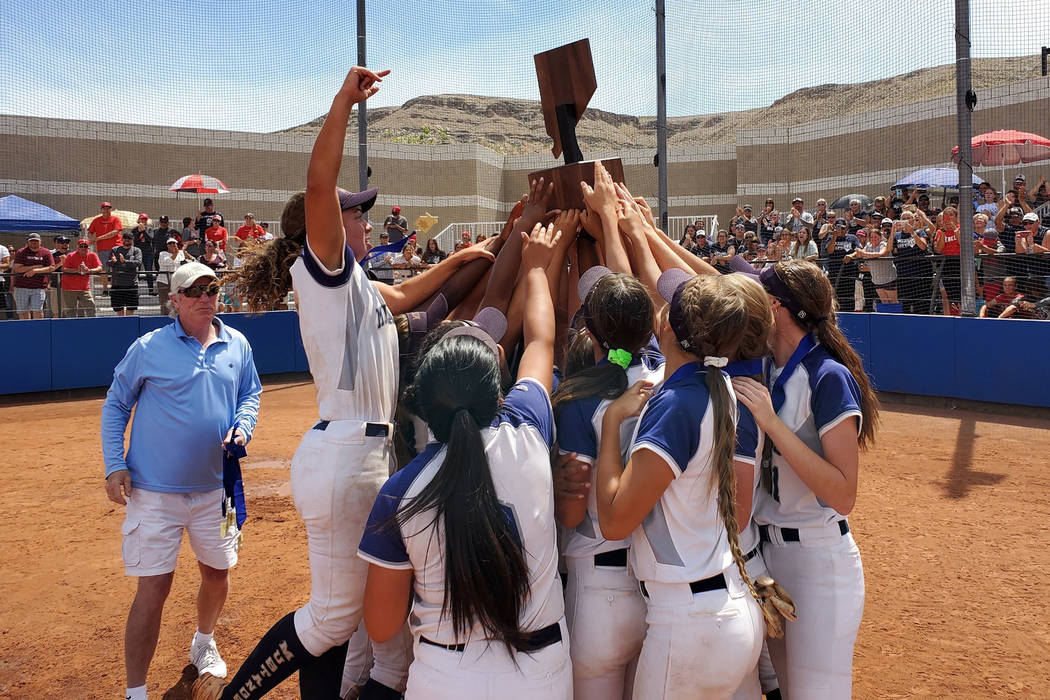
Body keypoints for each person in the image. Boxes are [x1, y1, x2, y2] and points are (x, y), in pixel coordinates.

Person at [195, 65, 495, 700]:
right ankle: (236, 695)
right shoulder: (323, 269)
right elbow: (318, 182)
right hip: (346, 453)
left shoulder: (359, 284)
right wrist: (342, 103)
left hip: (365, 452)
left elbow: (410, 292)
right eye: (355, 214)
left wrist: (472, 253)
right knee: (333, 617)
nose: (364, 221)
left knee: (356, 617)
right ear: (326, 227)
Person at [358, 221, 570, 700]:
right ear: (498, 383)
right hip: (542, 671)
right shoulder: (528, 433)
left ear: (423, 402)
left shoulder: (400, 491)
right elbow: (539, 342)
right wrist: (537, 268)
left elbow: (380, 623)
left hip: (446, 676)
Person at [593, 272, 767, 698]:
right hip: (725, 609)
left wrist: (613, 421)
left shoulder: (676, 405)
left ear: (668, 325)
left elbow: (615, 522)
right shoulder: (718, 383)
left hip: (690, 625)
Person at [102, 261, 262, 700]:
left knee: (217, 572)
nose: (206, 297)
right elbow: (116, 404)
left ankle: (203, 642)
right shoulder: (148, 347)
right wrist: (115, 464)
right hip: (154, 494)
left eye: (212, 289)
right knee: (153, 589)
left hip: (216, 489)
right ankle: (137, 692)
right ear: (174, 299)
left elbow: (251, 392)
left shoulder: (237, 344)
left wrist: (243, 425)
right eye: (195, 291)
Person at [732, 259, 880, 699]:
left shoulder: (827, 375)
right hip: (768, 557)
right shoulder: (770, 367)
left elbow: (842, 492)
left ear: (775, 306)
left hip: (819, 561)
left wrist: (773, 425)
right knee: (785, 690)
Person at [552, 269, 664, 700]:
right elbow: (630, 354)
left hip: (599, 591)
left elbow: (572, 512)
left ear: (589, 330)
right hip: (655, 587)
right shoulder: (666, 376)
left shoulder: (580, 396)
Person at [893, 212, 931, 314]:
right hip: (904, 276)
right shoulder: (896, 236)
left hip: (920, 276)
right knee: (905, 305)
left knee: (921, 307)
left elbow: (923, 246)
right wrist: (893, 230)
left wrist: (912, 233)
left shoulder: (920, 232)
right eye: (903, 218)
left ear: (913, 220)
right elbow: (893, 250)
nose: (906, 220)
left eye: (908, 218)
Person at [11, 232, 56, 319]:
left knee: (38, 311)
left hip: (38, 287)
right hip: (21, 287)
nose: (34, 242)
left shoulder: (46, 252)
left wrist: (36, 271)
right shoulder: (21, 252)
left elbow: (52, 267)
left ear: (40, 242)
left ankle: (39, 330)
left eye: (36, 241)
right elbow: (17, 269)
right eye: (31, 241)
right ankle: (25, 330)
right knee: (23, 312)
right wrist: (35, 266)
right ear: (28, 242)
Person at [60, 238, 102, 317]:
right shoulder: (70, 255)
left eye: (85, 246)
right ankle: (71, 327)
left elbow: (99, 267)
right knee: (70, 310)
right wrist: (77, 270)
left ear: (88, 248)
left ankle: (92, 325)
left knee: (91, 307)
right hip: (69, 288)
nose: (83, 248)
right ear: (77, 247)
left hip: (84, 288)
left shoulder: (92, 255)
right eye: (81, 246)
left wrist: (89, 270)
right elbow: (64, 269)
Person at [88, 201, 123, 295]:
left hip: (116, 247)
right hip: (102, 248)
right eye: (104, 208)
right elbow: (90, 231)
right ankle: (105, 289)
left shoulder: (116, 219)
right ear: (101, 210)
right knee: (103, 269)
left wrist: (99, 238)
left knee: (115, 269)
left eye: (108, 208)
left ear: (110, 209)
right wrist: (91, 238)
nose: (106, 210)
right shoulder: (96, 220)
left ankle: (113, 288)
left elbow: (115, 232)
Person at [933, 207, 962, 315]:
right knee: (949, 294)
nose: (948, 218)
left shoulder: (961, 228)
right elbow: (939, 249)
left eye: (951, 215)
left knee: (962, 293)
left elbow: (963, 244)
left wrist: (955, 229)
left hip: (960, 263)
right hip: (947, 265)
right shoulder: (940, 232)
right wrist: (944, 232)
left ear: (956, 217)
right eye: (946, 215)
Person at [108, 232, 144, 317]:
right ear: (122, 239)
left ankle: (129, 326)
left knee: (130, 309)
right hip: (117, 285)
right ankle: (122, 326)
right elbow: (108, 263)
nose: (127, 240)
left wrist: (125, 261)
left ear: (132, 240)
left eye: (129, 238)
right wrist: (113, 262)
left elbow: (138, 263)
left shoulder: (136, 250)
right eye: (125, 238)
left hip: (131, 284)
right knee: (119, 309)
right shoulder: (115, 250)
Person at [157, 238, 188, 316]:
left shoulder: (181, 253)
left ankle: (177, 317)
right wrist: (176, 253)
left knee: (178, 300)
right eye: (170, 243)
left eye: (174, 243)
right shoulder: (162, 253)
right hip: (164, 281)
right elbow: (167, 262)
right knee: (165, 302)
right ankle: (164, 318)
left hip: (177, 281)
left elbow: (185, 262)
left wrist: (186, 254)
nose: (172, 245)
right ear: (167, 245)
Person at [132, 214, 157, 295]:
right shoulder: (134, 230)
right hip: (138, 253)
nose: (143, 221)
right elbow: (135, 240)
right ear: (139, 220)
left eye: (145, 220)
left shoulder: (150, 229)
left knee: (148, 271)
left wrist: (143, 231)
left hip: (148, 253)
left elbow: (150, 239)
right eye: (142, 219)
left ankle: (150, 290)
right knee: (136, 271)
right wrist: (139, 232)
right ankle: (135, 290)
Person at [47, 235, 71, 316]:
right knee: (56, 311)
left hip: (70, 287)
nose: (65, 245)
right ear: (56, 244)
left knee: (69, 311)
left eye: (67, 242)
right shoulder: (51, 255)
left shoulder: (72, 254)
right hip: (56, 286)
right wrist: (61, 263)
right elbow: (49, 269)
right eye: (62, 243)